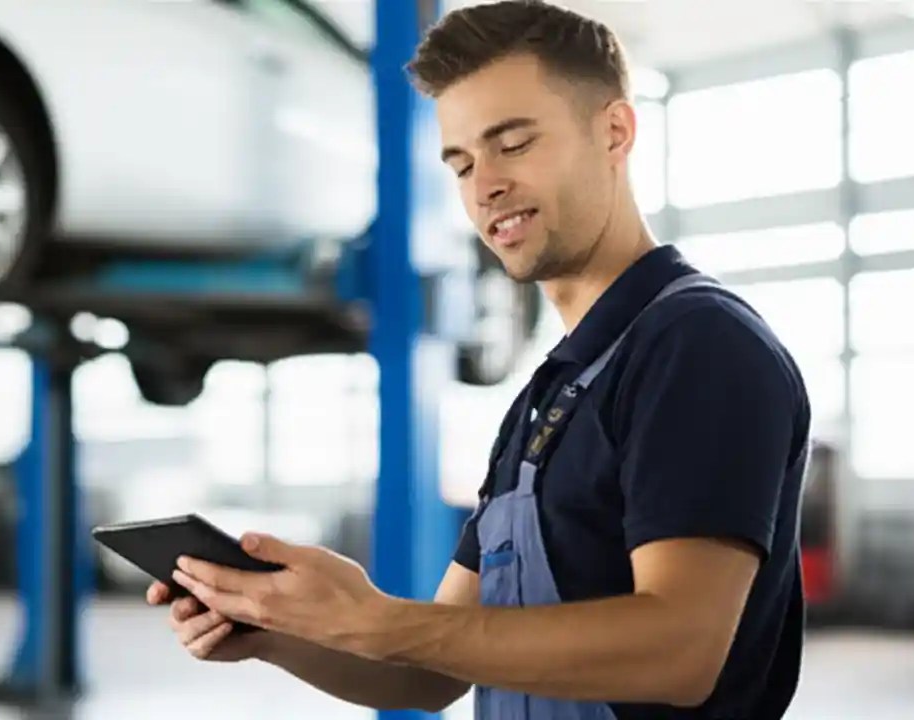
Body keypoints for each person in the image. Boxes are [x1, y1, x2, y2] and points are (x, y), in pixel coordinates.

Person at [147, 1, 811, 718]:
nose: (482, 185)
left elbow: (678, 651)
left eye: (514, 143)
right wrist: (280, 632)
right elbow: (432, 676)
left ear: (615, 131)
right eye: (461, 162)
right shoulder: (548, 398)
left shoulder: (696, 347)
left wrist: (374, 618)